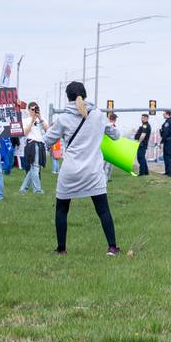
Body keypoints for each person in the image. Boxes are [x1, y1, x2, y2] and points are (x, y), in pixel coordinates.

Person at [42, 81, 122, 255]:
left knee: (62, 210)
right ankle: (112, 247)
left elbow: (47, 140)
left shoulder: (63, 119)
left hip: (70, 172)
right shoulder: (99, 115)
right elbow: (116, 135)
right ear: (85, 95)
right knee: (103, 210)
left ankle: (61, 249)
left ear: (68, 97)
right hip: (93, 172)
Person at [18, 102, 47, 195]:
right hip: (31, 144)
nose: (35, 111)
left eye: (36, 109)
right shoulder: (25, 120)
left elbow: (48, 130)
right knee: (35, 167)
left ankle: (23, 188)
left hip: (41, 144)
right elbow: (25, 133)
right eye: (33, 109)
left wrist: (40, 118)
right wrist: (32, 121)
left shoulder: (41, 119)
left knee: (33, 168)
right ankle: (37, 190)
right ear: (29, 110)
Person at [159, 110, 171, 177]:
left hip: (168, 141)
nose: (163, 115)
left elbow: (165, 133)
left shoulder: (167, 123)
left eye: (164, 114)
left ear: (167, 114)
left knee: (167, 157)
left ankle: (168, 173)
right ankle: (169, 172)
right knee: (170, 157)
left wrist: (161, 142)